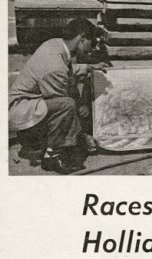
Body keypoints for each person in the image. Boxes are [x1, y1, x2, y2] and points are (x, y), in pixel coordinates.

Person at [9, 17, 109, 174]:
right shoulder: (54, 66)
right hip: (21, 113)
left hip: (28, 105)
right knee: (68, 105)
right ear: (82, 38)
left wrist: (89, 67)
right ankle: (52, 156)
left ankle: (46, 145)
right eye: (92, 43)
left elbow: (66, 72)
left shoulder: (56, 44)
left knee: (69, 105)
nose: (93, 48)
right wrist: (84, 137)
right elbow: (64, 104)